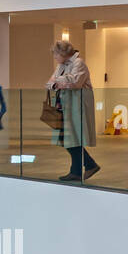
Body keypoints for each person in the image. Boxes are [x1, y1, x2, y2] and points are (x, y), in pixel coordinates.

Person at [46, 40, 99, 181]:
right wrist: (60, 81)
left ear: (63, 53)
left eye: (56, 54)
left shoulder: (78, 63)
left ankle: (82, 169)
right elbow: (50, 82)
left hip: (77, 105)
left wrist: (59, 81)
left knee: (71, 138)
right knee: (67, 138)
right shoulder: (61, 66)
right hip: (65, 105)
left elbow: (75, 82)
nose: (55, 58)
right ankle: (85, 166)